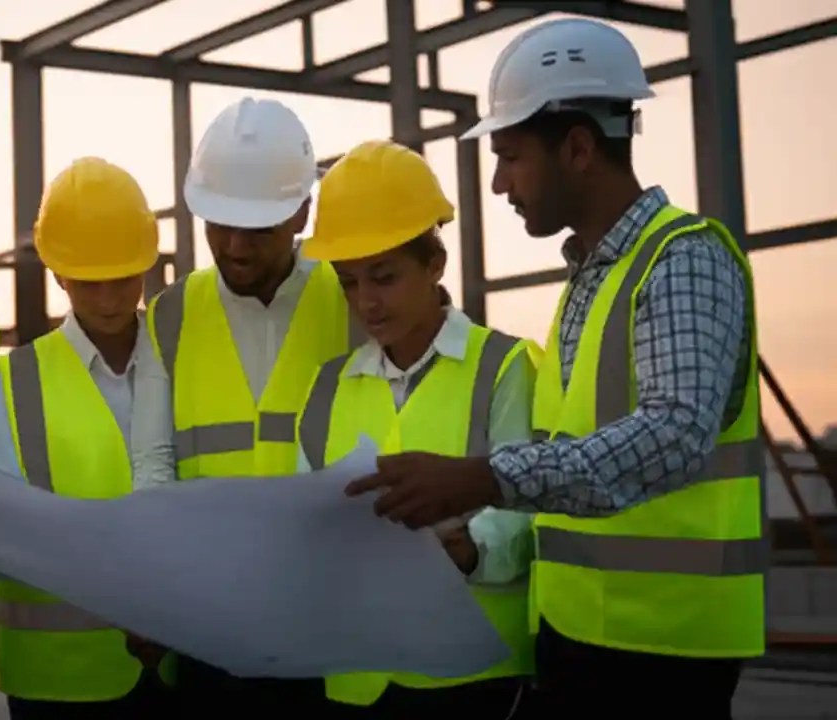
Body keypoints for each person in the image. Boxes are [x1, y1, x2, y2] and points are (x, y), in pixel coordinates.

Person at [344, 18, 763, 718]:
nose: (500, 182)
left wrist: (483, 477)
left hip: (663, 654)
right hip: (578, 639)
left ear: (576, 147)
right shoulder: (590, 282)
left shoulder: (682, 259)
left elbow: (676, 433)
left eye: (510, 156)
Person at [130, 96, 361, 714]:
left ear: (302, 213)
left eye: (255, 228)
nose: (233, 246)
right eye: (217, 223)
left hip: (327, 622)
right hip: (211, 627)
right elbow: (154, 465)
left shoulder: (353, 301)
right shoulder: (171, 314)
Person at [294, 139, 537, 719]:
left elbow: (532, 504)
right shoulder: (326, 387)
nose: (367, 303)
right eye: (350, 283)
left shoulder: (504, 367)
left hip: (472, 676)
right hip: (357, 675)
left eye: (383, 277)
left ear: (434, 264)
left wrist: (464, 550)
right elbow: (305, 515)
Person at [0, 157, 172, 719]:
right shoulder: (13, 382)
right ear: (59, 274)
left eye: (125, 278)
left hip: (177, 667)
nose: (112, 298)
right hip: (54, 681)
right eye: (92, 282)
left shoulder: (184, 362)